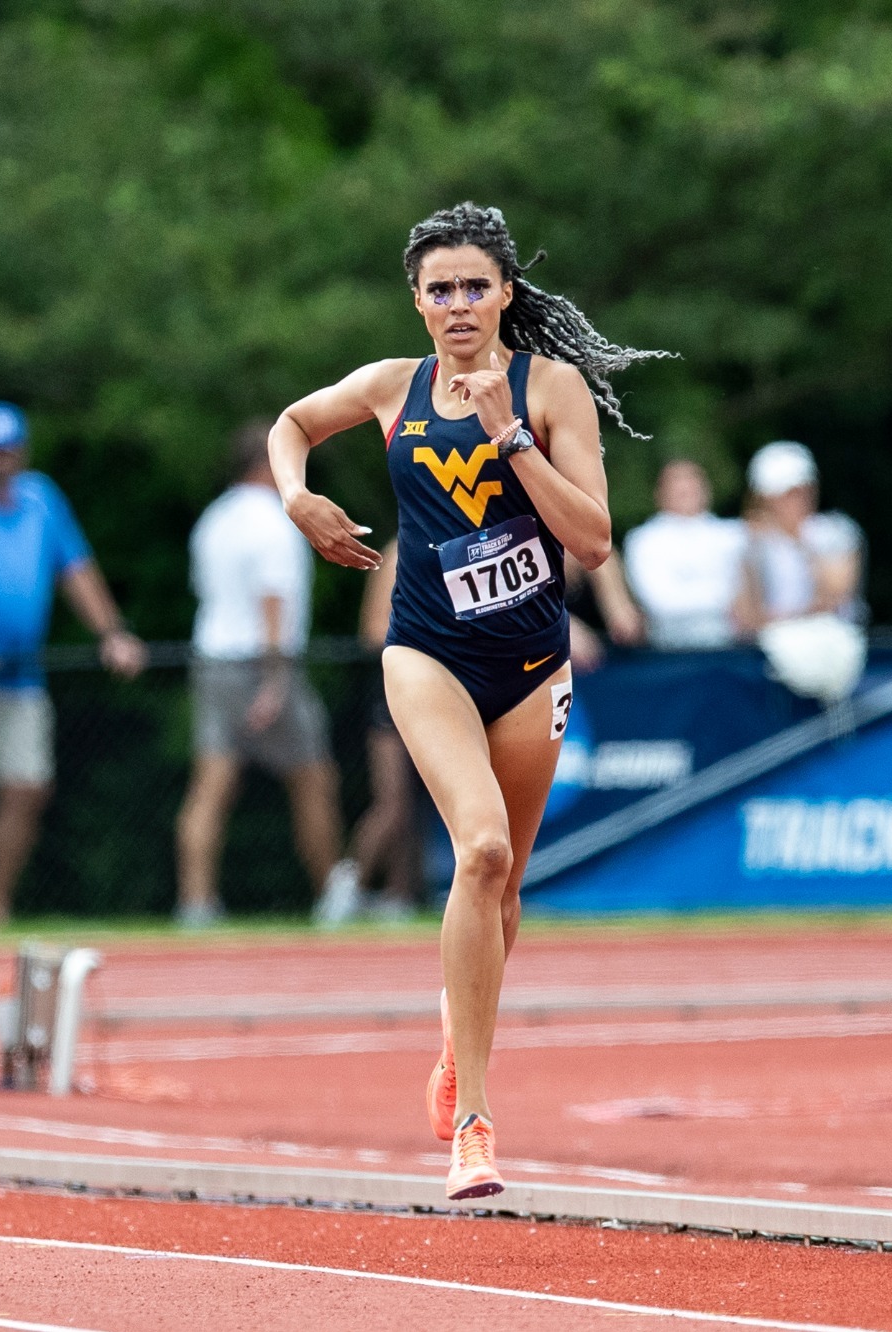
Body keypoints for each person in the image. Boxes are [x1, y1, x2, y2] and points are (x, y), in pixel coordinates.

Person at [268, 202, 668, 1200]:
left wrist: (511, 439)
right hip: (427, 653)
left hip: (531, 663)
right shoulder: (391, 386)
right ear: (416, 300)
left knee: (505, 881)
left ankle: (458, 1037)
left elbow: (593, 541)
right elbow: (292, 425)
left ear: (504, 295)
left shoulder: (549, 389)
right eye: (438, 288)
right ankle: (474, 1126)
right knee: (478, 848)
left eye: (474, 287)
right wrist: (296, 496)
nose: (456, 304)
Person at [0, 402, 144, 930]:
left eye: (8, 450)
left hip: (20, 673)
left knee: (27, 786)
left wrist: (112, 633)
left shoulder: (41, 499)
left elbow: (76, 569)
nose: (0, 459)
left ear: (21, 452)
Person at [174, 421, 350, 930]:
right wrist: (276, 682)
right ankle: (332, 895)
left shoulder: (215, 519)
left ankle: (196, 903)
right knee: (314, 778)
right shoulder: (275, 521)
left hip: (213, 659)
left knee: (211, 785)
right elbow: (273, 601)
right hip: (263, 662)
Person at [334, 540, 424, 924]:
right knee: (392, 803)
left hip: (432, 691)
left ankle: (399, 896)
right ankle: (343, 891)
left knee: (415, 804)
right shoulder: (399, 554)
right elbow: (372, 631)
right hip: (393, 691)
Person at [733, 440, 864, 631]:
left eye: (801, 490)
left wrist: (798, 541)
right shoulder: (752, 541)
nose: (798, 499)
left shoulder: (835, 531)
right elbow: (746, 612)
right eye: (787, 494)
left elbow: (835, 595)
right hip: (773, 640)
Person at [623, 458, 747, 649]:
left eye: (692, 482)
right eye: (677, 484)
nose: (686, 490)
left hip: (733, 647)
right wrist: (723, 598)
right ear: (660, 493)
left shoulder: (733, 535)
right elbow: (661, 603)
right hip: (668, 651)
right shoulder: (642, 540)